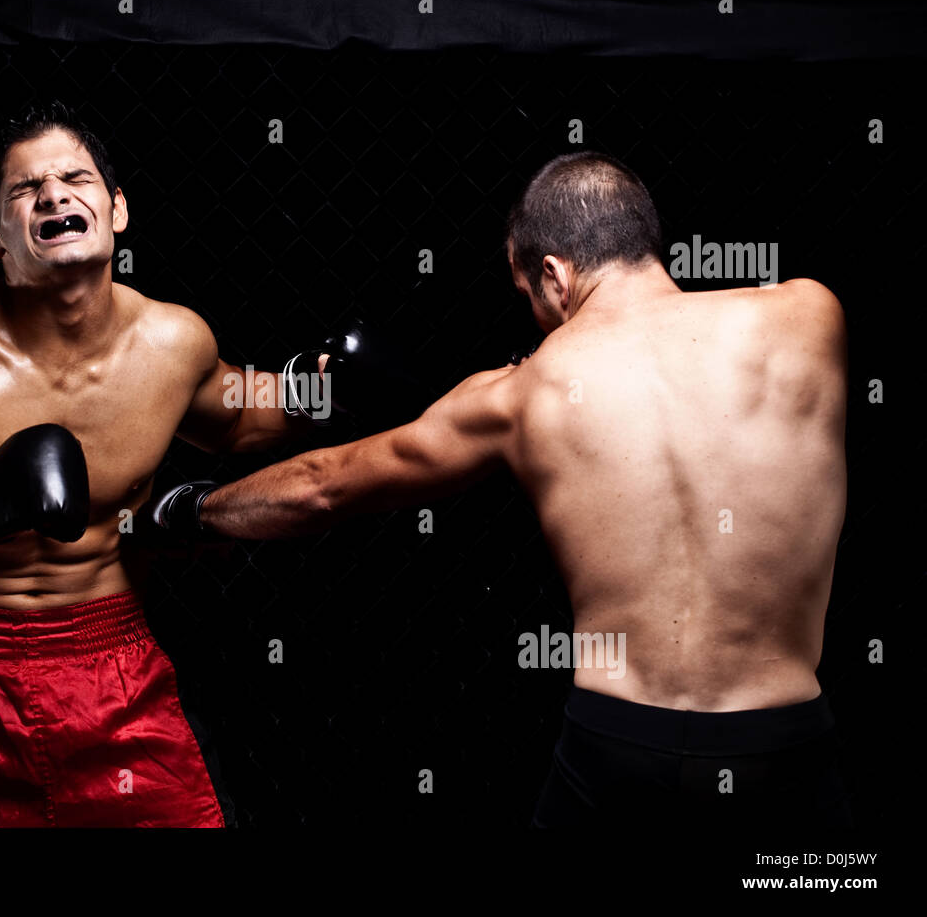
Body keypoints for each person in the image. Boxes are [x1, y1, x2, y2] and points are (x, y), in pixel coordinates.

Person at [152, 152, 853, 827]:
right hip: (786, 745)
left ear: (553, 274)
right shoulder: (809, 316)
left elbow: (321, 487)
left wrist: (187, 512)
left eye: (529, 299)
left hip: (619, 747)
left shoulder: (519, 395)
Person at [0, 99, 397, 826]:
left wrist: (321, 390)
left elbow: (238, 416)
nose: (54, 195)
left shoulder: (173, 342)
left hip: (118, 675)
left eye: (75, 179)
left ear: (116, 211)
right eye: (26, 189)